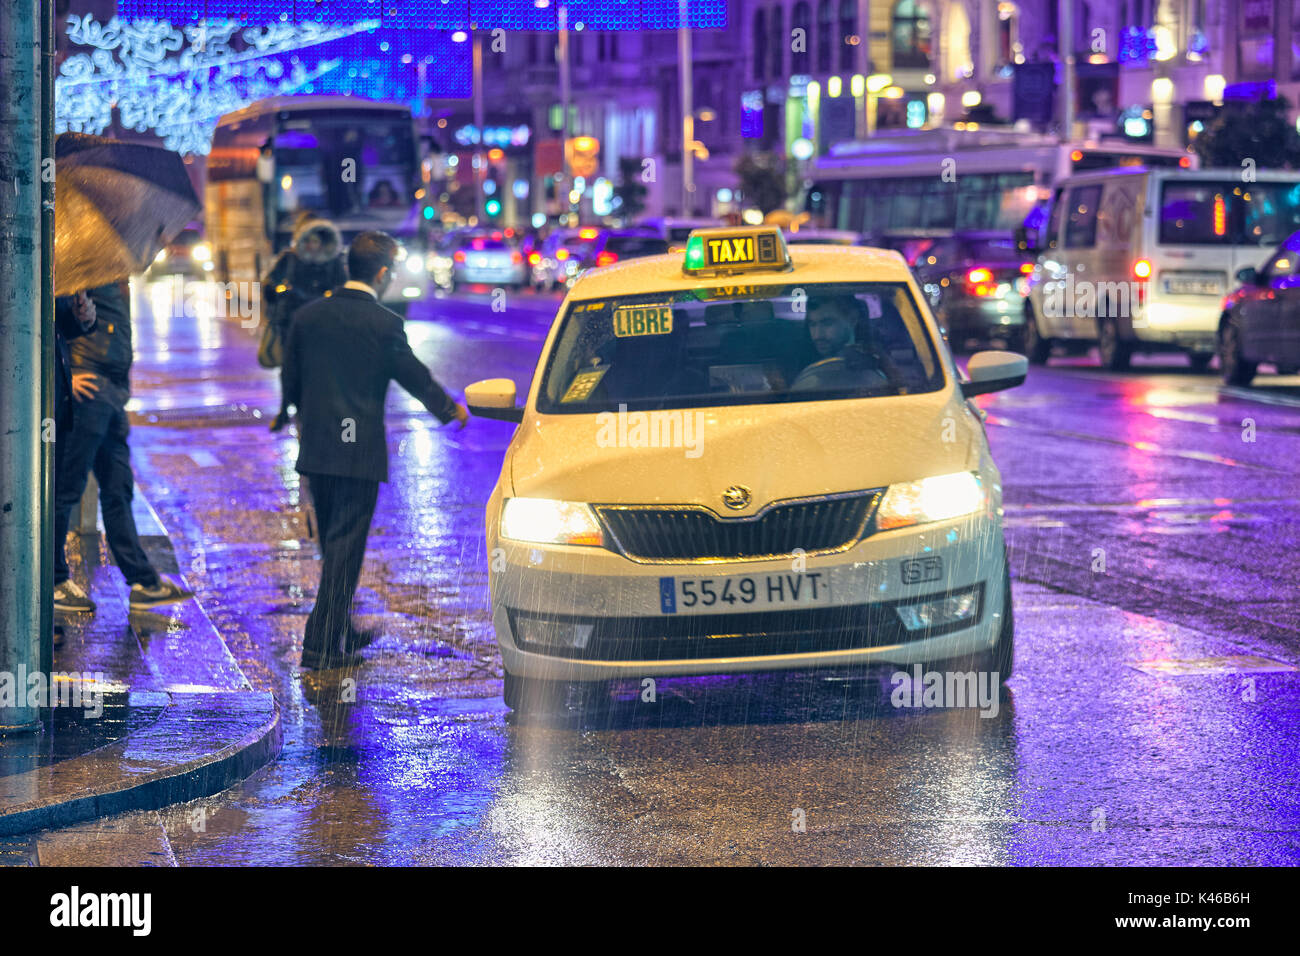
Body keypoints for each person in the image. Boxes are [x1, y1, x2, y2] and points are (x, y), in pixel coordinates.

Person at [281, 231, 470, 669]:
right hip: (357, 456)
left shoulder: (309, 317)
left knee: (335, 548)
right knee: (345, 549)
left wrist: (291, 414)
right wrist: (449, 409)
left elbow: (290, 379)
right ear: (382, 273)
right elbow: (415, 377)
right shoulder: (384, 324)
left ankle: (340, 628)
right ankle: (321, 643)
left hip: (317, 449)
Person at [52, 281, 192, 613]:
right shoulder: (84, 263)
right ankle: (54, 582)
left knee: (118, 488)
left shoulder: (112, 267)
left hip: (112, 391)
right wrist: (64, 376)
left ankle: (143, 580)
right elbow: (47, 325)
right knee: (66, 489)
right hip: (88, 389)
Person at [262, 216, 347, 431]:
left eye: (315, 242)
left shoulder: (333, 262)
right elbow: (269, 282)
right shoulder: (289, 258)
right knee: (290, 369)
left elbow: (344, 287)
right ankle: (285, 410)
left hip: (323, 324)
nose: (311, 246)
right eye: (307, 241)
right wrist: (278, 290)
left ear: (324, 243)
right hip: (291, 322)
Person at [791, 295, 893, 392]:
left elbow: (898, 390)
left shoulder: (876, 356)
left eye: (827, 323)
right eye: (812, 324)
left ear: (852, 320)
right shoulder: (799, 359)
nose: (817, 335)